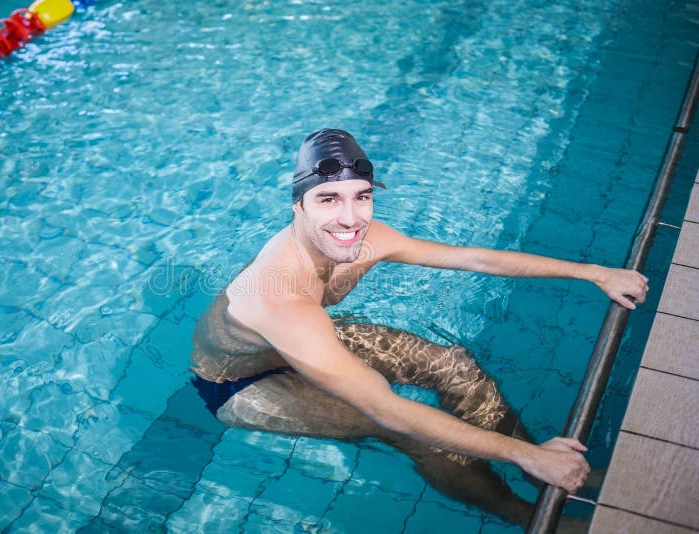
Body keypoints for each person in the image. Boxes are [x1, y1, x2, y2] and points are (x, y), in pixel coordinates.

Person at [190, 129, 649, 525]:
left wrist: (593, 272)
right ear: (298, 206)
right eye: (328, 199)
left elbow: (473, 258)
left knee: (453, 365)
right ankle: (525, 513)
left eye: (361, 197)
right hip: (241, 383)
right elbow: (386, 409)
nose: (350, 219)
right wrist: (523, 453)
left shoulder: (364, 239)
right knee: (410, 430)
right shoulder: (282, 299)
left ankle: (535, 467)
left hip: (303, 343)